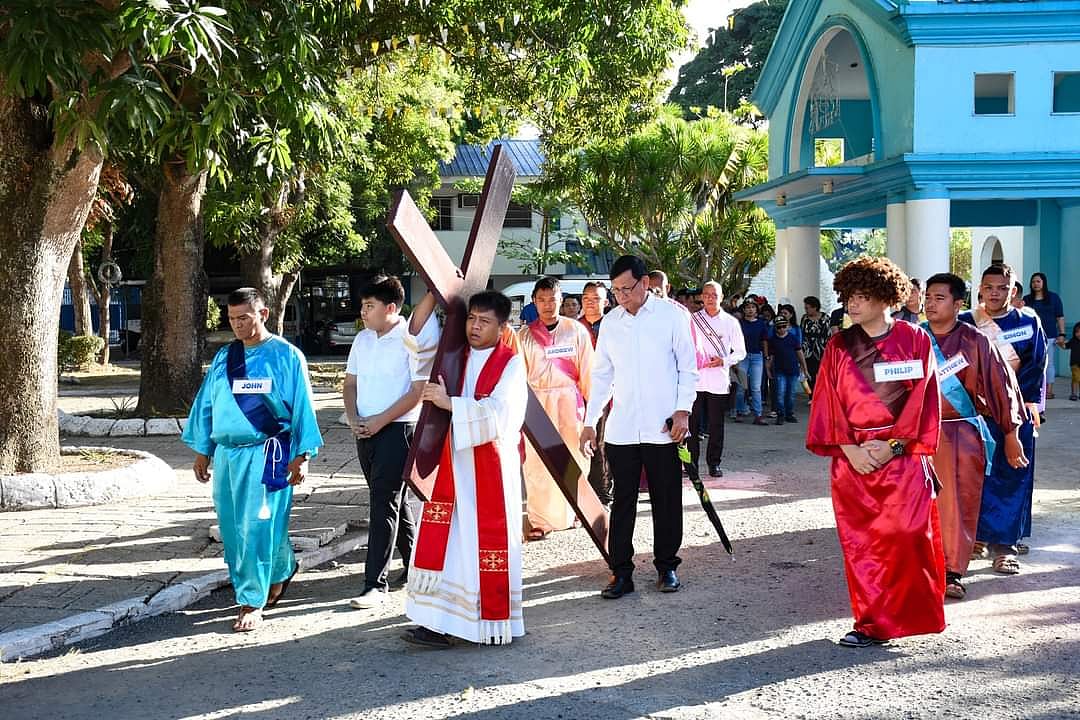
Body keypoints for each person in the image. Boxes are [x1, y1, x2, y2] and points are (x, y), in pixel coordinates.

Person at [806, 256, 945, 648]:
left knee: (908, 538)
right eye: (849, 296)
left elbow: (924, 398)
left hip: (902, 458)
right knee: (863, 546)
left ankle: (914, 618)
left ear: (886, 298)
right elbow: (826, 403)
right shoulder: (838, 345)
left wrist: (894, 445)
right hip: (853, 461)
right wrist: (850, 449)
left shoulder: (915, 340)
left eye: (862, 296)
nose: (852, 304)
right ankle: (871, 624)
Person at [183, 288, 323, 632]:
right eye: (231, 319)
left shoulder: (287, 356)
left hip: (269, 454)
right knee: (234, 528)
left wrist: (302, 455)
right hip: (229, 457)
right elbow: (206, 405)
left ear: (263, 313)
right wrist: (203, 449)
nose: (237, 325)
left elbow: (303, 406)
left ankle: (250, 600)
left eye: (243, 318)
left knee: (256, 527)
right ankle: (281, 568)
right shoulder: (224, 358)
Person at [401, 290, 528, 648]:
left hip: (488, 468)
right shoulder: (454, 354)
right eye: (471, 318)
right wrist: (431, 291)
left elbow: (503, 415)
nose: (474, 326)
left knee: (480, 546)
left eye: (484, 321)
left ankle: (487, 621)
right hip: (452, 465)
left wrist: (450, 403)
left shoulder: (511, 364)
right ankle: (436, 622)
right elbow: (415, 337)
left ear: (502, 328)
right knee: (450, 545)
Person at [580, 255, 698, 599]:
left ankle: (667, 567)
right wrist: (590, 422)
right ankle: (621, 572)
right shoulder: (612, 323)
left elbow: (687, 370)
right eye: (615, 290)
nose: (621, 296)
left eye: (626, 289)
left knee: (666, 500)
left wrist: (682, 412)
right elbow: (602, 376)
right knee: (623, 503)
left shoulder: (672, 316)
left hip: (663, 428)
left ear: (645, 283)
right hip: (623, 429)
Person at [922, 273, 1028, 599]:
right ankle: (918, 568)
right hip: (916, 434)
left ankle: (951, 570)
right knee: (916, 504)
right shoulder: (913, 338)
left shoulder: (974, 340)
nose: (930, 303)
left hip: (959, 433)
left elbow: (1002, 387)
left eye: (939, 298)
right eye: (928, 296)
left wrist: (1011, 433)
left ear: (958, 304)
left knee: (956, 504)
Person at [960, 263, 1047, 574]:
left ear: (1013, 290)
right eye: (989, 287)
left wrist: (1019, 404)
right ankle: (978, 536)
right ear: (980, 289)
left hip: (1015, 411)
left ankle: (1005, 544)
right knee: (975, 475)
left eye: (1002, 288)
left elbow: (1036, 365)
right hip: (974, 412)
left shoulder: (1028, 321)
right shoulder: (966, 323)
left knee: (1013, 474)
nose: (995, 293)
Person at [343, 276, 420, 610]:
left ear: (391, 307)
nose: (363, 312)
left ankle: (375, 583)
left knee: (382, 503)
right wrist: (352, 418)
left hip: (398, 430)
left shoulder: (411, 340)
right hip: (365, 431)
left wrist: (379, 421)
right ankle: (418, 563)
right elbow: (349, 384)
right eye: (362, 305)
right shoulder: (362, 339)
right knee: (391, 501)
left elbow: (417, 393)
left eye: (369, 306)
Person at [518, 278, 593, 538]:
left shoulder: (577, 331)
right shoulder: (524, 336)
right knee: (538, 463)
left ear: (561, 300)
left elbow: (588, 371)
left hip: (570, 402)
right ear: (534, 302)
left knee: (574, 458)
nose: (548, 305)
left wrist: (591, 411)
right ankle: (540, 520)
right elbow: (519, 377)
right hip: (537, 404)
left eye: (552, 299)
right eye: (542, 300)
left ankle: (573, 512)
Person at [688, 281, 746, 477]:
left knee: (716, 425)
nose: (710, 298)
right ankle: (691, 465)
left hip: (718, 381)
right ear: (701, 297)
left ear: (721, 297)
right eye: (706, 294)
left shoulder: (731, 322)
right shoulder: (693, 320)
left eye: (714, 295)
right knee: (691, 425)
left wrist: (724, 361)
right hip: (695, 380)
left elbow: (740, 352)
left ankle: (714, 463)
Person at [579, 281, 612, 505]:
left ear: (606, 302)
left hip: (607, 395)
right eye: (587, 298)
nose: (591, 303)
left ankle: (602, 491)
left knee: (602, 443)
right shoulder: (573, 328)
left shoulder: (613, 326)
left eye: (596, 299)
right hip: (577, 395)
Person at [1023, 272, 1066, 402]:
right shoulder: (1027, 299)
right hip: (1031, 337)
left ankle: (1049, 390)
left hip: (1050, 336)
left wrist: (1062, 334)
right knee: (1032, 363)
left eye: (1038, 281)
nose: (1035, 284)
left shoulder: (1053, 298)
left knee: (1049, 364)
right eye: (1033, 282)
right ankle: (1034, 389)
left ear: (1043, 283)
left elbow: (1060, 317)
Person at [766, 315, 808, 425]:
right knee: (780, 393)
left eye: (784, 326)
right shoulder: (773, 340)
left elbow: (800, 354)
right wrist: (768, 369)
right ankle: (781, 414)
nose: (781, 329)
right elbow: (771, 357)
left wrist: (805, 369)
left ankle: (789, 413)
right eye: (779, 327)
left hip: (793, 370)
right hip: (779, 370)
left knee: (791, 393)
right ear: (775, 328)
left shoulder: (793, 338)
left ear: (788, 326)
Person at [736, 299, 769, 425]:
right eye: (748, 307)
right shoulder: (739, 324)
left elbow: (764, 341)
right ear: (743, 310)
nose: (750, 310)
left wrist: (766, 358)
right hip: (742, 357)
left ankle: (758, 414)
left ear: (756, 310)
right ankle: (740, 411)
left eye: (753, 307)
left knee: (756, 387)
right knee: (741, 386)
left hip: (756, 356)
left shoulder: (761, 324)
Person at [801, 296, 831, 392]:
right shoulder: (805, 318)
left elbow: (828, 334)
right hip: (808, 349)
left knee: (822, 372)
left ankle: (822, 393)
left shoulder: (825, 318)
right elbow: (802, 333)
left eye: (807, 308)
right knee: (809, 373)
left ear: (814, 307)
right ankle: (811, 394)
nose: (806, 310)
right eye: (805, 308)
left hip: (821, 349)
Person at [1066, 322, 1080, 401]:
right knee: (1076, 378)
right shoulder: (1073, 341)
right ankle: (1074, 394)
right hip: (1074, 363)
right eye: (1077, 332)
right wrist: (1060, 343)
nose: (1078, 334)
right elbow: (1066, 346)